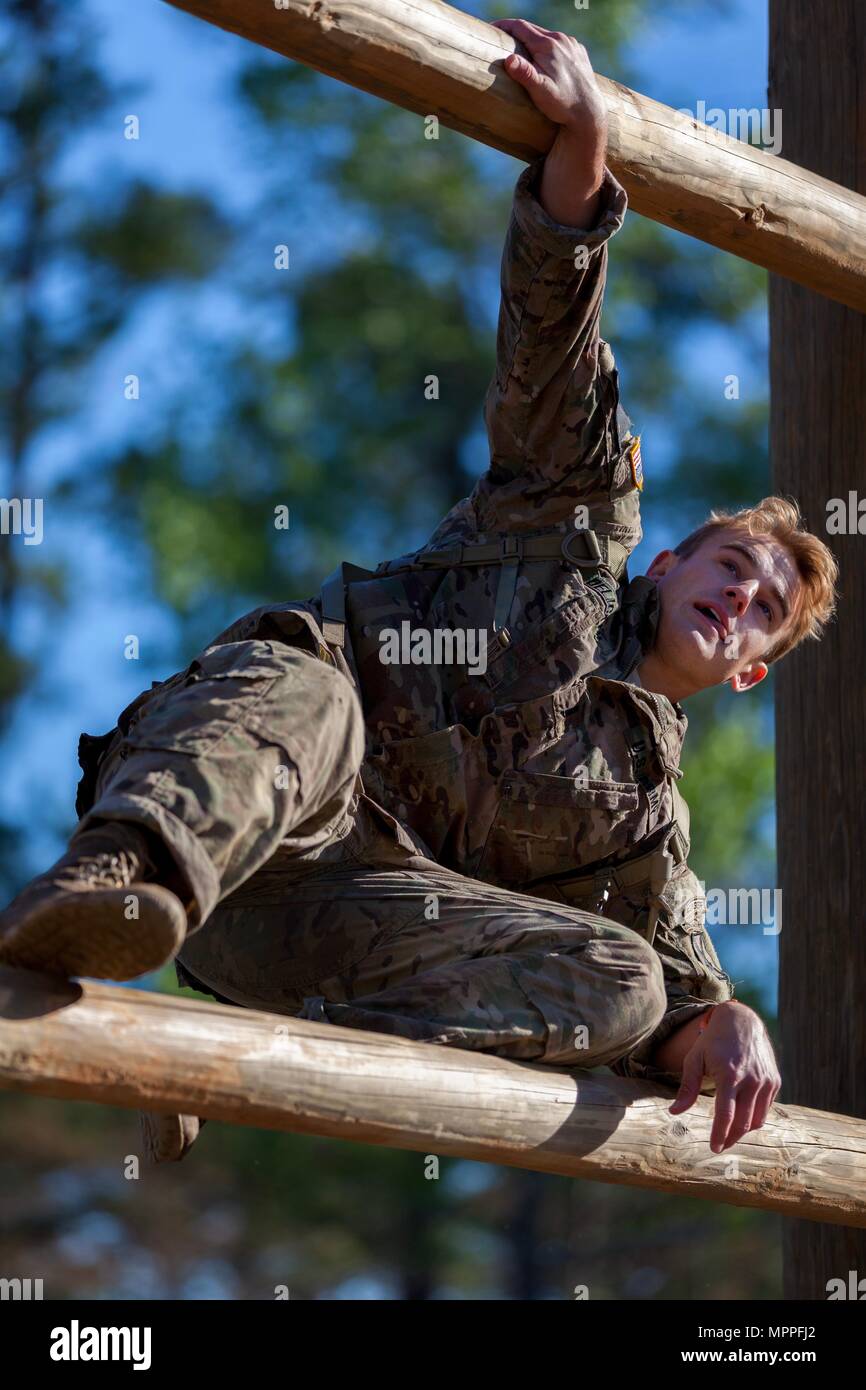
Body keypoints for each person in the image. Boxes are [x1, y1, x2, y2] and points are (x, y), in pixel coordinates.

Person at [0, 22, 837, 1163]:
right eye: (727, 567)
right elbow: (552, 340)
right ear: (664, 565)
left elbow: (685, 1000)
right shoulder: (569, 524)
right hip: (249, 800)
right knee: (313, 692)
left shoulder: (644, 827)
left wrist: (726, 1021)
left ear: (747, 668)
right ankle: (116, 882)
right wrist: (584, 148)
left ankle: (256, 1043)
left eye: (762, 612)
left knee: (625, 980)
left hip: (337, 930)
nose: (737, 597)